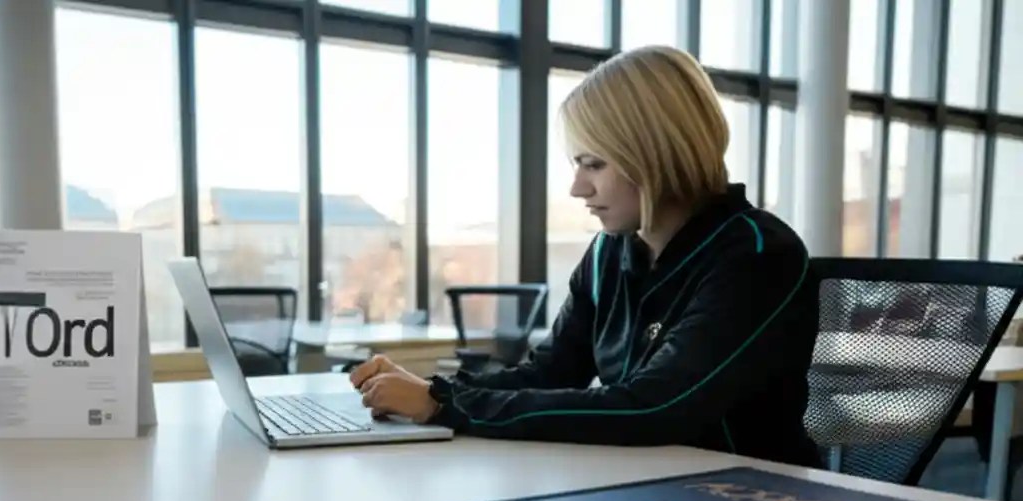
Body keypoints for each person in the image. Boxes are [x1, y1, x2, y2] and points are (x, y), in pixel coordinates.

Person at [350, 45, 822, 468]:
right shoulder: (610, 252)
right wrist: (433, 389)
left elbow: (654, 407)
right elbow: (551, 372)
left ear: (657, 154)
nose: (578, 188)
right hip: (653, 486)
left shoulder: (756, 256)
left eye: (594, 164)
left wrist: (442, 405)